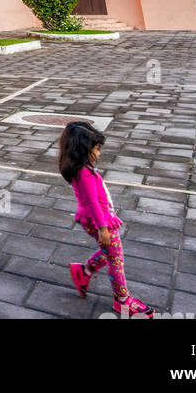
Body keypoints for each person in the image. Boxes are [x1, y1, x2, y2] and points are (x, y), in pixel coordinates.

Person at [58, 119, 154, 317]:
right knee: (116, 258)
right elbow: (92, 203)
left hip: (97, 219)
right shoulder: (83, 172)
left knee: (110, 251)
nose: (99, 153)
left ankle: (83, 272)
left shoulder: (80, 167)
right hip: (99, 221)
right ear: (83, 149)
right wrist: (102, 228)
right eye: (97, 149)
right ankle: (122, 300)